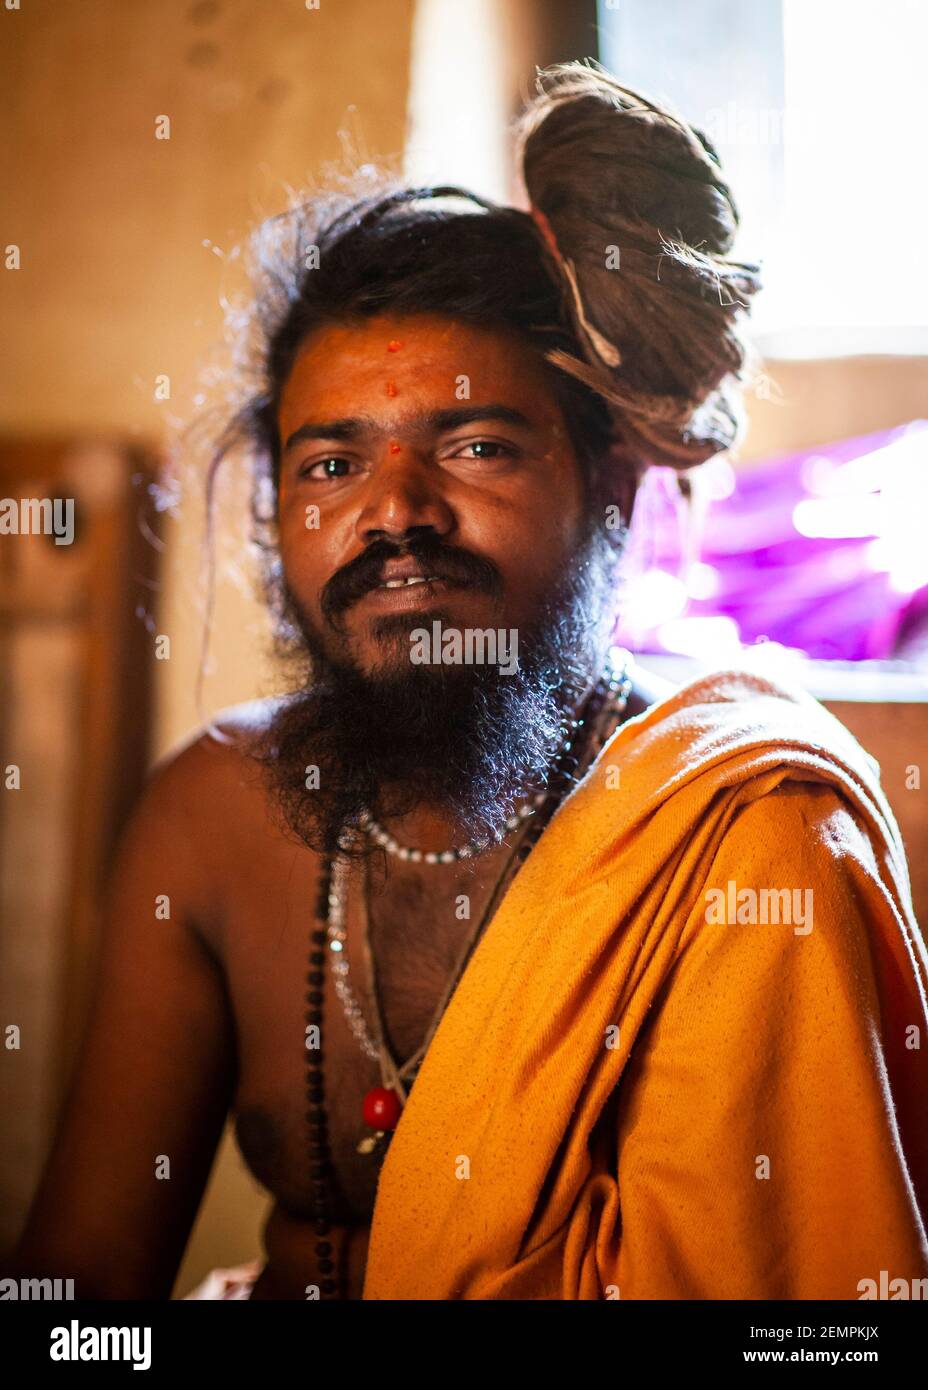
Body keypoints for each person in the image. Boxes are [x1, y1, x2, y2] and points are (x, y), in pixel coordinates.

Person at [8, 61, 927, 1301]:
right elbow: (75, 1307)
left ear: (610, 483)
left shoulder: (739, 834)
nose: (395, 514)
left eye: (476, 446)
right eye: (331, 466)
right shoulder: (209, 820)